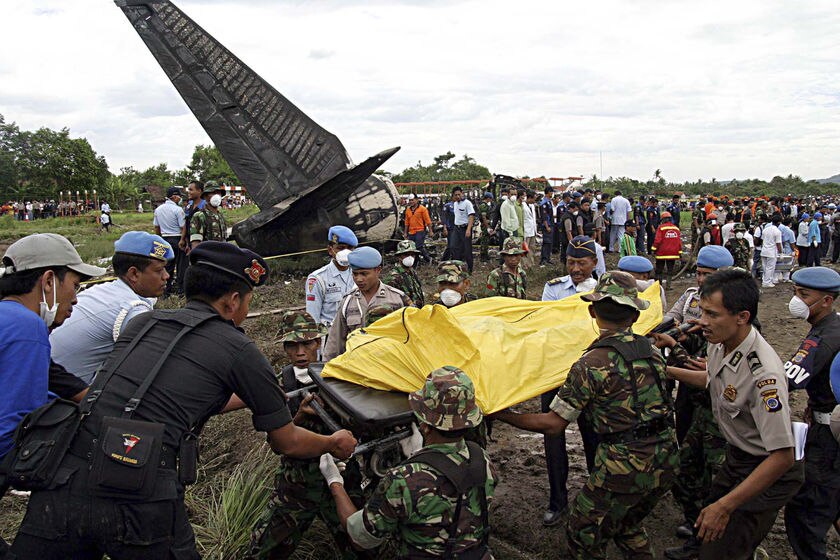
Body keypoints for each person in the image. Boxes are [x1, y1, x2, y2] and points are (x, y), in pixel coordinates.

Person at [9, 242, 358, 559]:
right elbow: (288, 442)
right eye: (248, 300)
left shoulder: (144, 322)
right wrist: (334, 441)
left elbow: (171, 395)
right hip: (140, 491)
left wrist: (255, 397)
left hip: (64, 482)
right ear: (233, 301)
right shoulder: (238, 349)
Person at [496, 272, 678, 559]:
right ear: (634, 316)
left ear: (592, 312)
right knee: (626, 524)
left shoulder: (590, 364)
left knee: (582, 531)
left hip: (625, 464)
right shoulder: (652, 351)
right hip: (666, 456)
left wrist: (505, 415)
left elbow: (553, 425)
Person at [665, 268, 803, 560]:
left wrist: (725, 506)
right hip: (738, 458)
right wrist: (660, 369)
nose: (702, 322)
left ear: (742, 317)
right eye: (702, 312)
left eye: (712, 315)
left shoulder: (764, 376)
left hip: (767, 468)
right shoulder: (723, 343)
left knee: (723, 542)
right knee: (708, 529)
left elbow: (783, 456)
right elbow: (711, 379)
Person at [323, 366, 497, 558]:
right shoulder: (482, 460)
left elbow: (360, 539)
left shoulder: (402, 480)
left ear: (424, 423)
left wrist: (335, 482)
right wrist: (418, 456)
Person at [250, 311, 368, 559]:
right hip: (297, 483)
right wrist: (299, 418)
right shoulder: (281, 385)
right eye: (293, 345)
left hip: (342, 478)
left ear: (318, 343)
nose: (300, 352)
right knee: (264, 549)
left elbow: (361, 429)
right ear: (285, 348)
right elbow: (275, 444)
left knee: (362, 546)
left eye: (306, 343)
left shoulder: (339, 378)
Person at [0, 234, 105, 462]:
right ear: (49, 281)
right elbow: (11, 427)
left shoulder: (7, 317)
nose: (76, 299)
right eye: (75, 286)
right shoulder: (26, 326)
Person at [50, 231, 173, 384]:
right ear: (134, 274)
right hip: (68, 395)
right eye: (159, 270)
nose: (166, 276)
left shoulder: (103, 291)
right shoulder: (132, 310)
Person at [538, 236, 600, 526]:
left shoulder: (603, 289)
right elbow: (547, 327)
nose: (576, 268)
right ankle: (557, 501)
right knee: (553, 438)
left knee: (594, 437)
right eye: (571, 262)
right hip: (555, 375)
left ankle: (596, 498)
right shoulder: (553, 289)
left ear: (594, 263)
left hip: (592, 375)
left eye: (581, 263)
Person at [782, 267, 840, 560]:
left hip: (827, 439)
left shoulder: (822, 338)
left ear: (827, 301)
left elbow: (788, 379)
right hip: (830, 423)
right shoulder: (834, 327)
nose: (796, 300)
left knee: (805, 515)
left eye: (803, 295)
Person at [323, 246, 409, 360]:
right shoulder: (348, 302)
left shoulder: (397, 299)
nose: (359, 279)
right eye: (355, 274)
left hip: (390, 367)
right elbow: (335, 343)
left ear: (378, 270)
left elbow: (413, 337)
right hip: (357, 368)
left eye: (364, 274)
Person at [305, 225, 358, 330]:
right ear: (330, 250)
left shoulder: (360, 274)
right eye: (341, 248)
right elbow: (313, 318)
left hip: (355, 336)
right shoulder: (318, 279)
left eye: (350, 248)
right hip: (331, 338)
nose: (346, 252)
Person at [153, 186, 187, 296]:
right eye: (179, 196)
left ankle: (166, 290)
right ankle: (181, 290)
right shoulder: (178, 209)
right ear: (174, 197)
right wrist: (183, 240)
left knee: (167, 266)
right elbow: (183, 227)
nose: (180, 199)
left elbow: (156, 227)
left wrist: (160, 239)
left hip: (164, 239)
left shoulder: (158, 210)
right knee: (181, 265)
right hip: (177, 238)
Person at [382, 240, 425, 308]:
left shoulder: (412, 272)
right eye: (406, 255)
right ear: (399, 256)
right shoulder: (392, 278)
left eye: (412, 255)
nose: (410, 257)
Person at [651, 211, 682, 290]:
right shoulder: (676, 228)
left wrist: (653, 249)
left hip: (662, 253)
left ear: (663, 219)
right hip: (673, 253)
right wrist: (680, 253)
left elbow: (657, 240)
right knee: (670, 271)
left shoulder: (661, 228)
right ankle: (668, 286)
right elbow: (678, 242)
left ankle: (659, 287)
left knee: (659, 270)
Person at [449, 187, 475, 272]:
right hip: (457, 228)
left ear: (462, 193)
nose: (457, 196)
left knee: (467, 249)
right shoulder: (455, 203)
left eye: (459, 194)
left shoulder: (467, 203)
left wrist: (468, 229)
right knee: (453, 247)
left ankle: (470, 268)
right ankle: (458, 266)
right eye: (455, 195)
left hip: (465, 228)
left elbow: (471, 216)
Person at [403, 194, 433, 265]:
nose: (411, 202)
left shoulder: (423, 209)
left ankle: (427, 259)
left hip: (420, 230)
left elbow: (428, 221)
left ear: (416, 200)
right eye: (410, 200)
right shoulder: (408, 210)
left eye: (412, 200)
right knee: (412, 248)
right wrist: (405, 233)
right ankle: (416, 262)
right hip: (411, 232)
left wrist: (430, 231)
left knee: (418, 246)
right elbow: (406, 222)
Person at [759, 213, 782, 288]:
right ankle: (767, 282)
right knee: (770, 268)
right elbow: (778, 243)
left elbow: (762, 240)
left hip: (764, 250)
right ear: (779, 222)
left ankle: (765, 280)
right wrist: (781, 253)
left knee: (765, 267)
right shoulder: (777, 231)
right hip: (771, 252)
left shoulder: (765, 229)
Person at [476, 192, 494, 263]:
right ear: (488, 198)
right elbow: (483, 217)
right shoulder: (483, 206)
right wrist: (487, 227)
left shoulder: (485, 205)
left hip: (486, 224)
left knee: (486, 240)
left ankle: (485, 254)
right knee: (484, 240)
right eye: (491, 199)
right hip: (485, 225)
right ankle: (483, 255)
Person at [522, 191, 538, 268]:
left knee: (532, 248)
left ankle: (531, 263)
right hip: (526, 230)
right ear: (530, 198)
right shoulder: (523, 206)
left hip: (532, 230)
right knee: (525, 248)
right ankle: (525, 265)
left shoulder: (532, 206)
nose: (535, 200)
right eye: (534, 199)